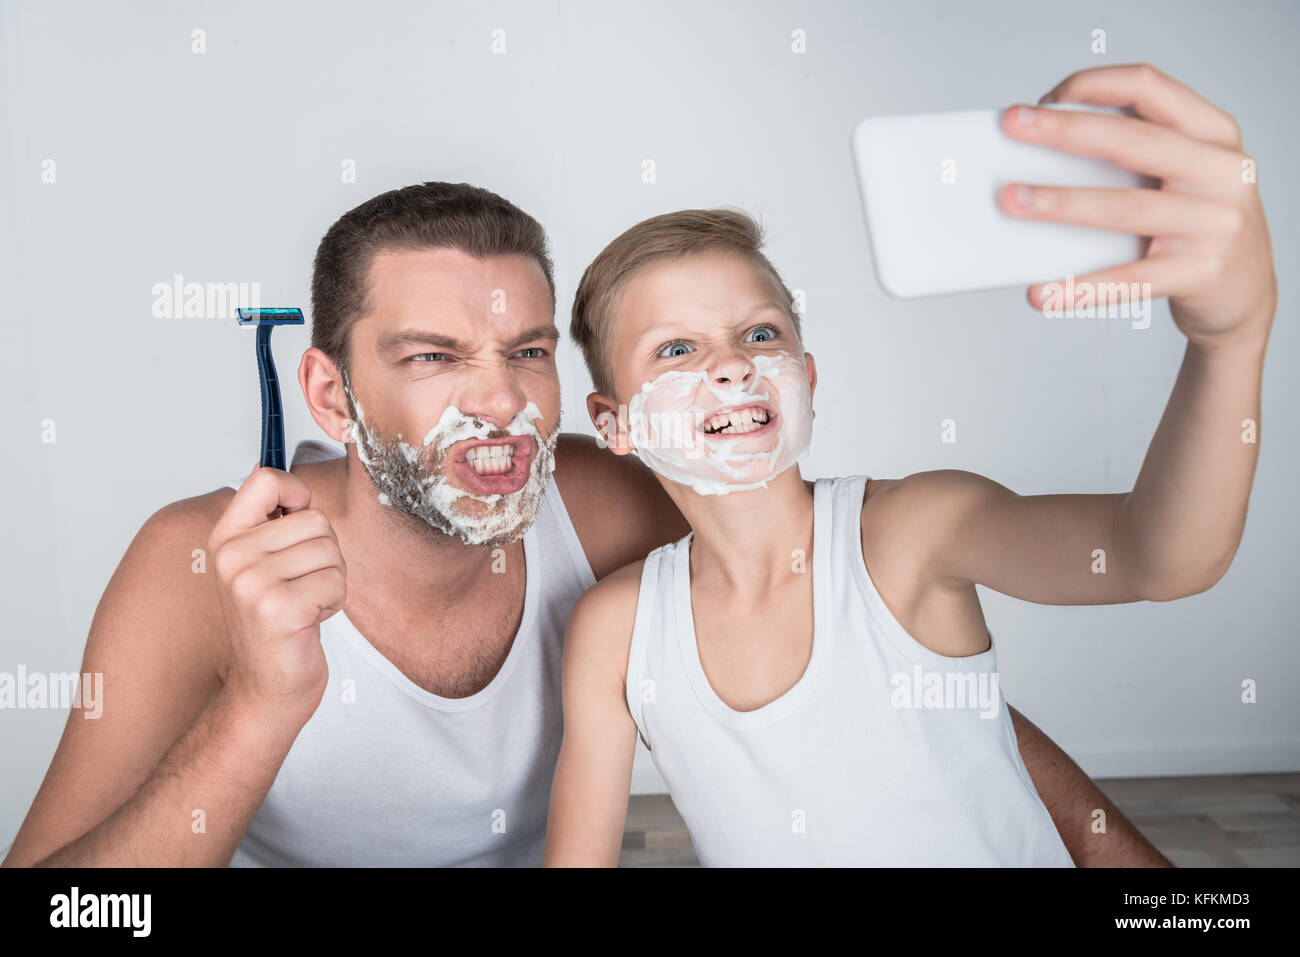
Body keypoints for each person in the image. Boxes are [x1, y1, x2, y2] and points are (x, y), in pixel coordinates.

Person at [7, 70, 1207, 866]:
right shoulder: (199, 563)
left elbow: (908, 673)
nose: (496, 399)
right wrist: (262, 704)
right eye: (432, 356)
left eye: (524, 351)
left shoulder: (604, 498)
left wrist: (1132, 873)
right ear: (331, 394)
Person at [542, 65, 1274, 865]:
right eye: (676, 348)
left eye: (759, 334)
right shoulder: (617, 631)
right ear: (613, 425)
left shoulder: (908, 534)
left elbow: (1159, 555)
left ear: (807, 379)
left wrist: (1227, 343)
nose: (729, 365)